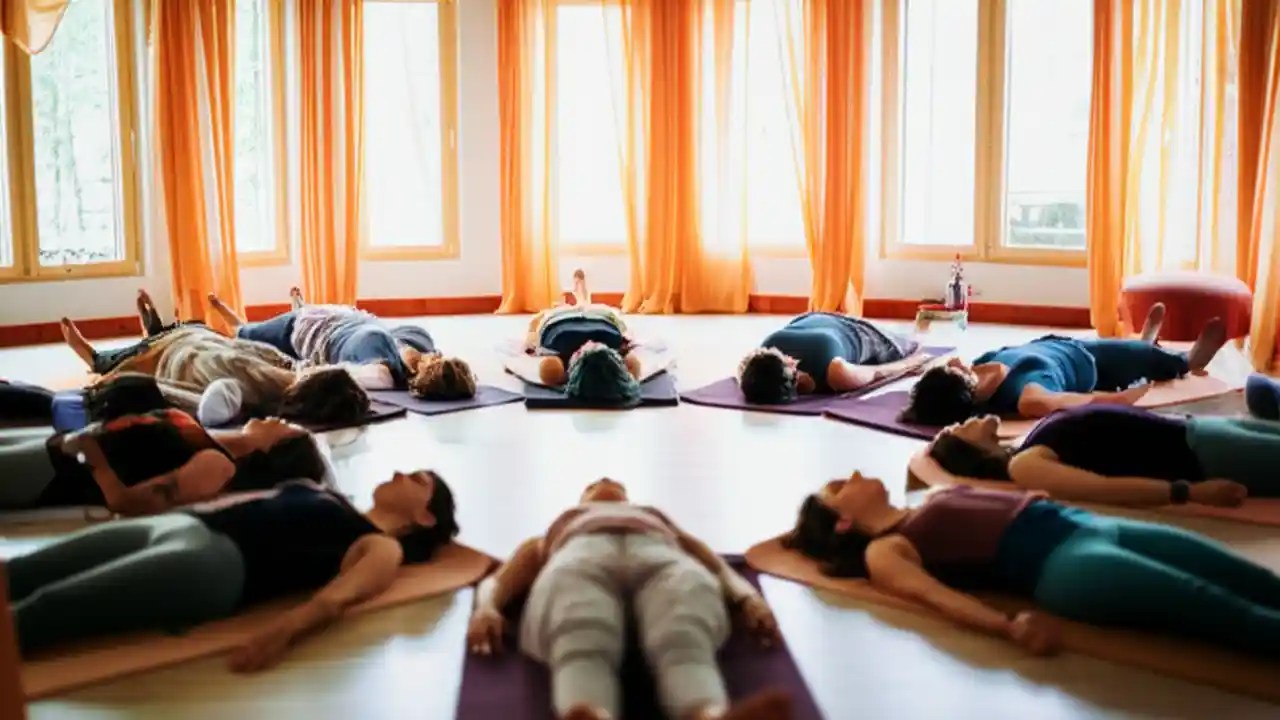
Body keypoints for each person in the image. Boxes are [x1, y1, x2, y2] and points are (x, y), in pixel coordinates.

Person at [786, 473, 1280, 659]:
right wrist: (1007, 626)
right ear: (844, 522)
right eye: (838, 487)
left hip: (1086, 524)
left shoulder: (924, 500)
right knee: (1211, 603)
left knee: (1234, 570)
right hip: (1066, 564)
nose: (852, 474)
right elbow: (935, 597)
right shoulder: (883, 549)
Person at [4, 469, 459, 663]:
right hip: (182, 525)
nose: (400, 473)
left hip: (214, 564)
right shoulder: (333, 497)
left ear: (424, 517)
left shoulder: (381, 547)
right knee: (21, 571)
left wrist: (283, 632)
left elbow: (341, 596)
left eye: (416, 479)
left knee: (47, 608)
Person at [467, 478, 791, 720]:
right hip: (580, 555)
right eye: (594, 484)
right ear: (582, 499)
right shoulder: (564, 523)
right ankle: (591, 712)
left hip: (660, 556)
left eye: (615, 484)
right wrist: (487, 608)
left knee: (684, 632)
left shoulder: (654, 516)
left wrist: (748, 599)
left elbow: (714, 565)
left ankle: (708, 714)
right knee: (578, 628)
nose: (606, 481)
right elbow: (504, 576)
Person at [60, 296, 370, 428]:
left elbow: (179, 398)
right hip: (203, 341)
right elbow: (257, 350)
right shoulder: (289, 370)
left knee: (124, 361)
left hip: (175, 358)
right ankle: (154, 330)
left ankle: (95, 357)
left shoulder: (244, 402)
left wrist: (118, 384)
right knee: (195, 327)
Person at [902, 303, 1228, 425]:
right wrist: (1113, 401)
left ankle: (1143, 343)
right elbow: (1049, 402)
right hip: (1093, 363)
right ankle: (1186, 359)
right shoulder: (1024, 392)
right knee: (1152, 360)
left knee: (1135, 350)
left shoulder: (982, 366)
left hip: (1064, 344)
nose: (957, 362)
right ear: (968, 390)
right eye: (954, 370)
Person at [926, 408, 1280, 508]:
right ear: (969, 451)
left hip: (1199, 429)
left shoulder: (1022, 443)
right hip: (1203, 454)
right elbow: (1102, 488)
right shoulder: (1024, 466)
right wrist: (1189, 492)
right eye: (958, 428)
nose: (962, 420)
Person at [0, 410, 329, 514]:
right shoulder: (212, 441)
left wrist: (90, 455)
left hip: (57, 469)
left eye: (284, 428)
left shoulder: (218, 466)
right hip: (56, 446)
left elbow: (123, 500)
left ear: (275, 450)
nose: (277, 418)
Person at [209, 288, 476, 400]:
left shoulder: (382, 372)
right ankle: (297, 307)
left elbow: (311, 375)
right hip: (335, 321)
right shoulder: (419, 339)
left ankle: (244, 320)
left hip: (307, 327)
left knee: (243, 334)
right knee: (245, 334)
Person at [737, 313, 931, 404]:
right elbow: (876, 372)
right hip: (813, 318)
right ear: (791, 363)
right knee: (908, 348)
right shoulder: (837, 372)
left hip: (856, 331)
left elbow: (878, 372)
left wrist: (914, 359)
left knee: (909, 346)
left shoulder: (836, 372)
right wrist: (912, 363)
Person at [524, 271, 645, 406]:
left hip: (561, 318)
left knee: (540, 319)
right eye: (597, 347)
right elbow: (630, 342)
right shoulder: (616, 343)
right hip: (602, 317)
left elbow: (534, 345)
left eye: (584, 352)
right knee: (590, 307)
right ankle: (583, 297)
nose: (589, 342)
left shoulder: (556, 350)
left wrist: (532, 333)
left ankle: (581, 297)